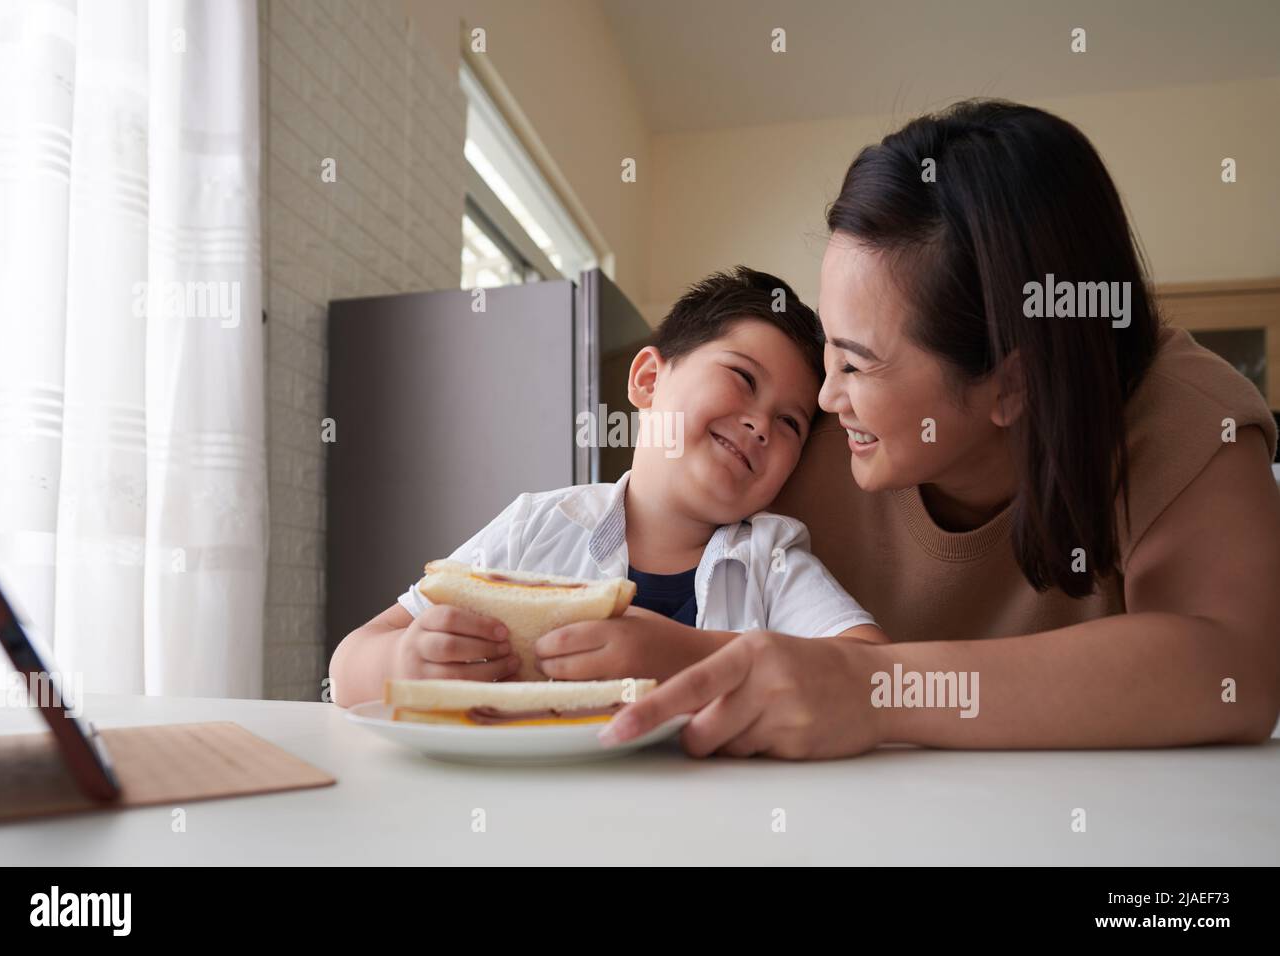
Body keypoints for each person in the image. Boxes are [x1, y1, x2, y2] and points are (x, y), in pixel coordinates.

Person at [598, 99, 1280, 758]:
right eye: (827, 350)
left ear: (1013, 384)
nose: (825, 397)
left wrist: (875, 689)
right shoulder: (803, 428)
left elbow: (1233, 671)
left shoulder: (1189, 417)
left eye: (856, 365)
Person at [328, 267, 884, 708]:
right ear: (647, 380)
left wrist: (688, 657)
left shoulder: (770, 556)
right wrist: (403, 662)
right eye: (741, 378)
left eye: (789, 423)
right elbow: (347, 663)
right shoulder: (536, 527)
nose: (761, 424)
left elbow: (871, 675)